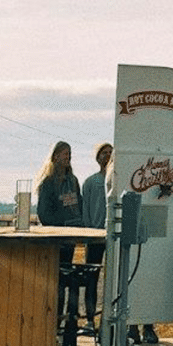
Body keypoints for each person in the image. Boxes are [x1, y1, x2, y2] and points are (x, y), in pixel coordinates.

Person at [37, 141, 83, 322]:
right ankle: (53, 318)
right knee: (55, 280)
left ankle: (66, 318)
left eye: (69, 153)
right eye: (65, 153)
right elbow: (43, 213)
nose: (68, 157)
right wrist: (58, 226)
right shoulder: (48, 183)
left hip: (70, 237)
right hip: (55, 239)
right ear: (55, 156)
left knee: (66, 279)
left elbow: (79, 204)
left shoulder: (73, 181)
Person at [79, 142, 113, 331]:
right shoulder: (90, 182)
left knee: (114, 278)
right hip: (95, 236)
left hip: (113, 236)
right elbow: (85, 210)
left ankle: (110, 320)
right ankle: (90, 320)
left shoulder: (117, 180)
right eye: (104, 153)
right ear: (97, 157)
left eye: (110, 152)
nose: (107, 155)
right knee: (91, 278)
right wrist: (89, 233)